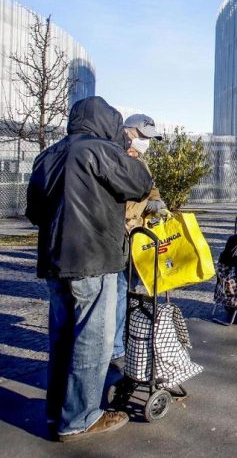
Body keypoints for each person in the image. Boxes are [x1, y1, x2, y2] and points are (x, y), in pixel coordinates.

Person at [26, 96, 154, 441]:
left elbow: (34, 212)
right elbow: (140, 184)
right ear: (108, 123)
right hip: (93, 259)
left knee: (63, 339)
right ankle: (81, 417)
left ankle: (58, 413)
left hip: (55, 260)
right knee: (91, 342)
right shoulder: (103, 151)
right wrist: (126, 151)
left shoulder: (48, 154)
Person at [112, 114, 165, 370]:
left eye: (149, 139)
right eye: (143, 137)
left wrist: (156, 204)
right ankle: (115, 350)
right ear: (128, 131)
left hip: (135, 238)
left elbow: (150, 189)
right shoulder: (114, 157)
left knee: (130, 290)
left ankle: (125, 342)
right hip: (117, 235)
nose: (145, 143)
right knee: (119, 293)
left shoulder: (141, 163)